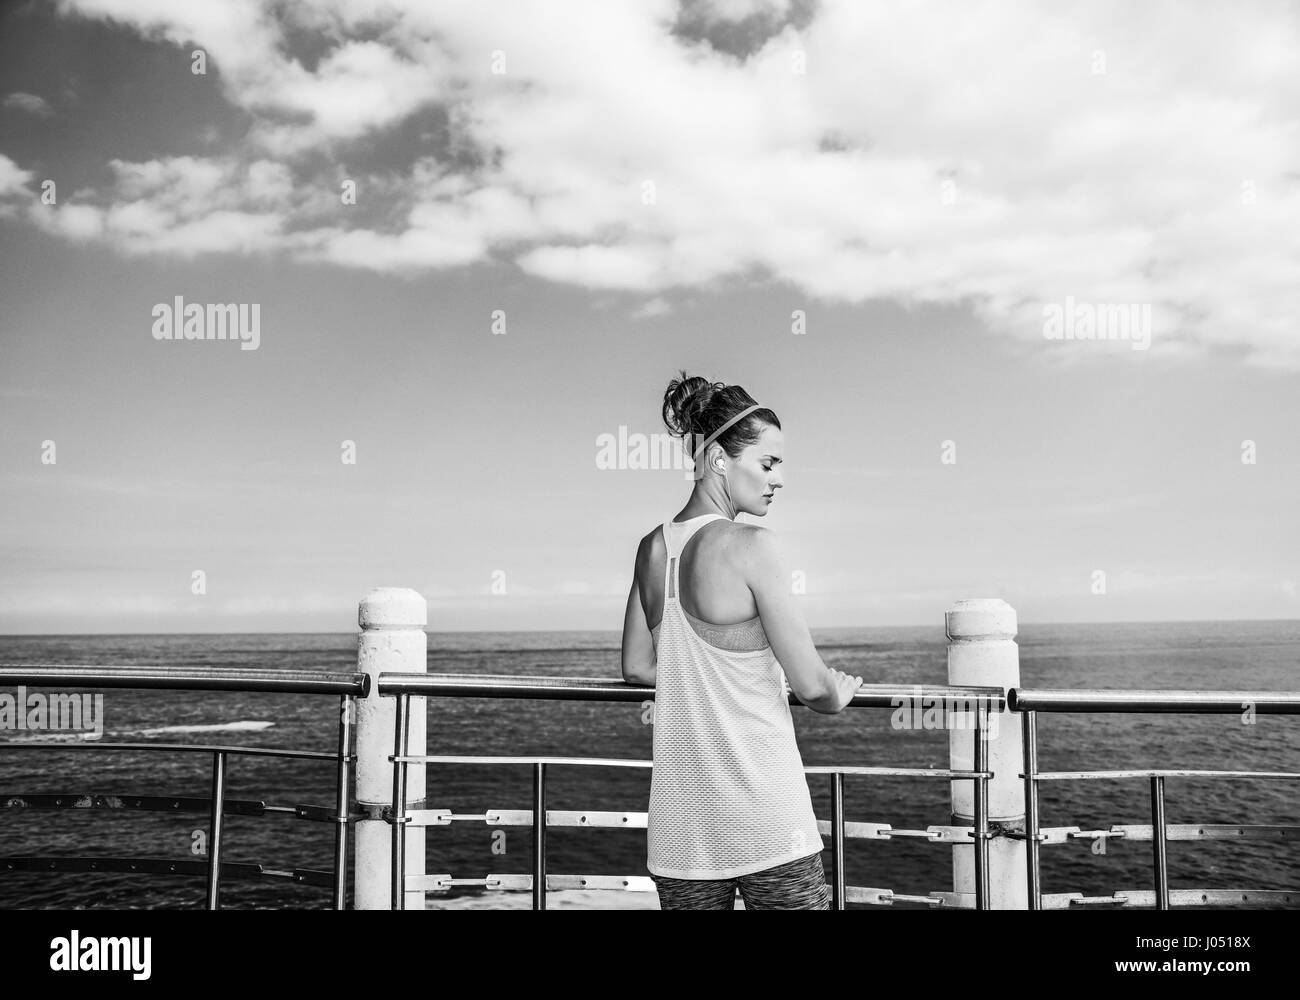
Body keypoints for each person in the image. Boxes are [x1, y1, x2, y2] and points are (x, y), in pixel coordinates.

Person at [620, 371, 863, 910]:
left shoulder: (650, 549)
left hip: (682, 835)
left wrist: (701, 672)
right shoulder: (753, 545)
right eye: (768, 463)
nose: (778, 479)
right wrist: (837, 692)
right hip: (768, 828)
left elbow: (637, 667)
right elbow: (812, 685)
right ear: (717, 461)